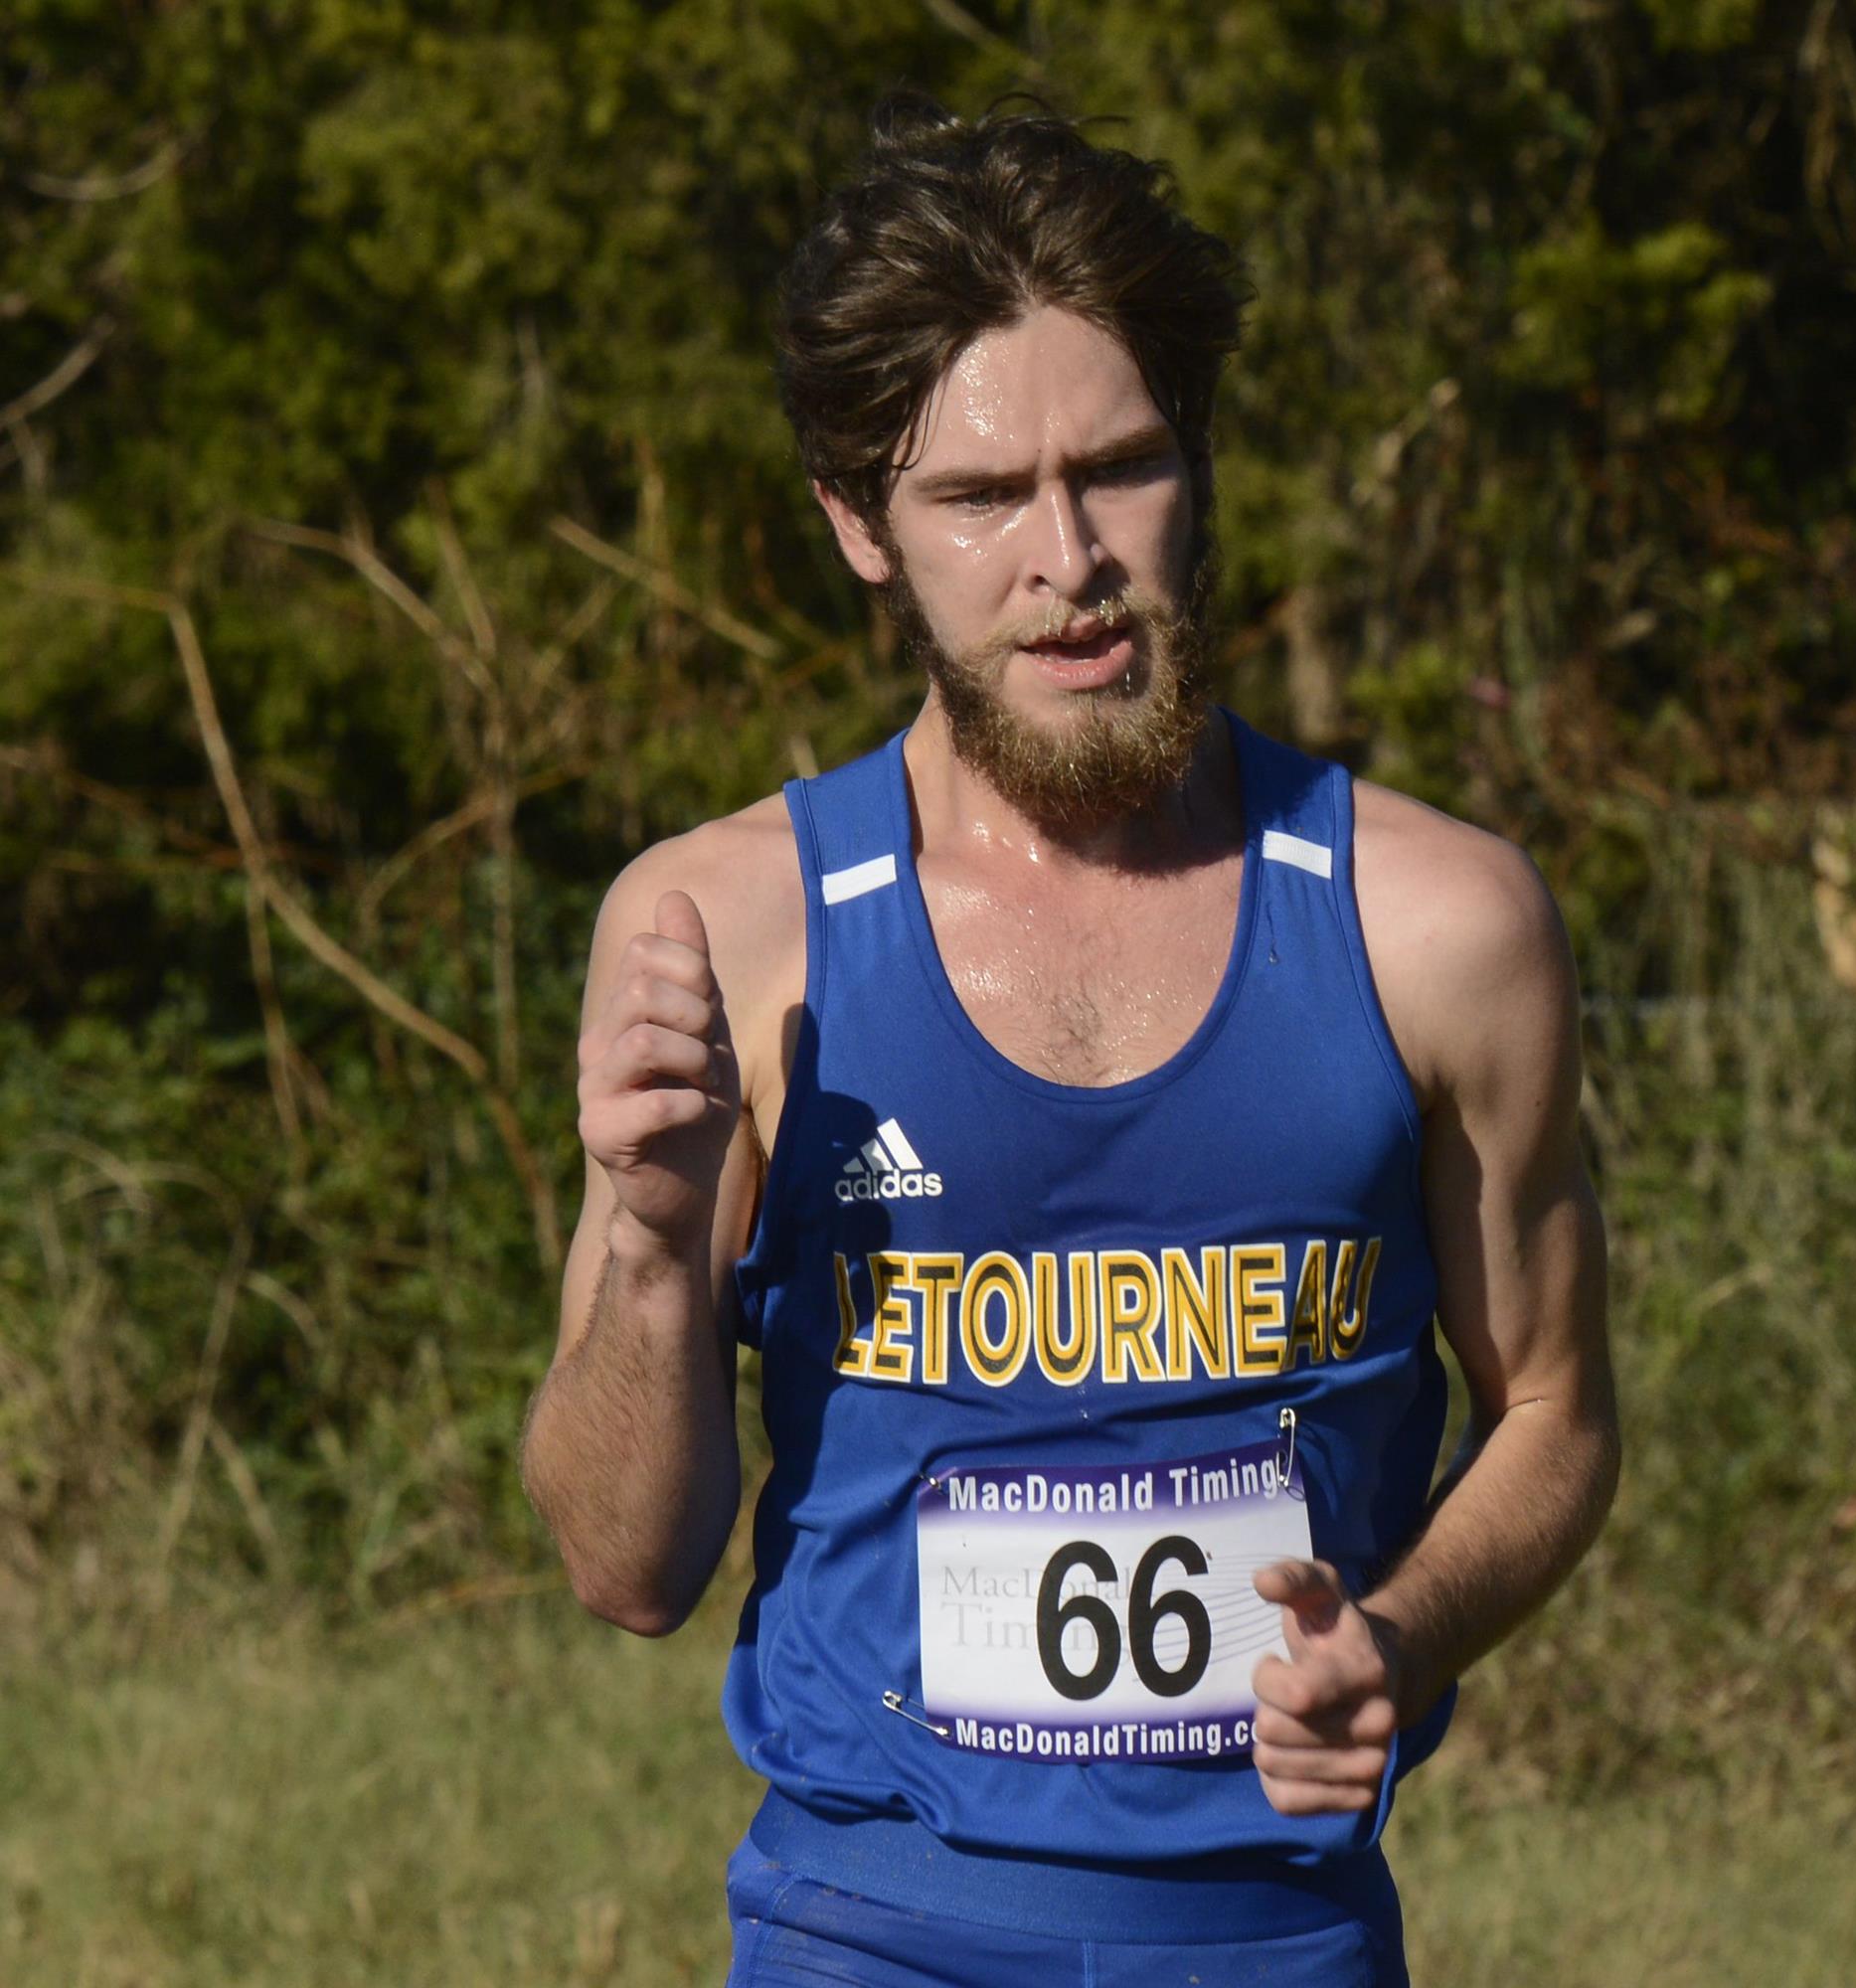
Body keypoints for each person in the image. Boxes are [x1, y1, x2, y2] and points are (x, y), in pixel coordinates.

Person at [520, 94, 1618, 1988]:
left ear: (1200, 461)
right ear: (860, 527)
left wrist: (1407, 1633)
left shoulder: (1440, 927)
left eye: (1120, 469)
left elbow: (1556, 1414)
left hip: (1276, 1941)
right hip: (867, 1930)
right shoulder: (727, 925)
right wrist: (641, 1243)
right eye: (978, 498)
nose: (1070, 557)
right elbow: (626, 1570)